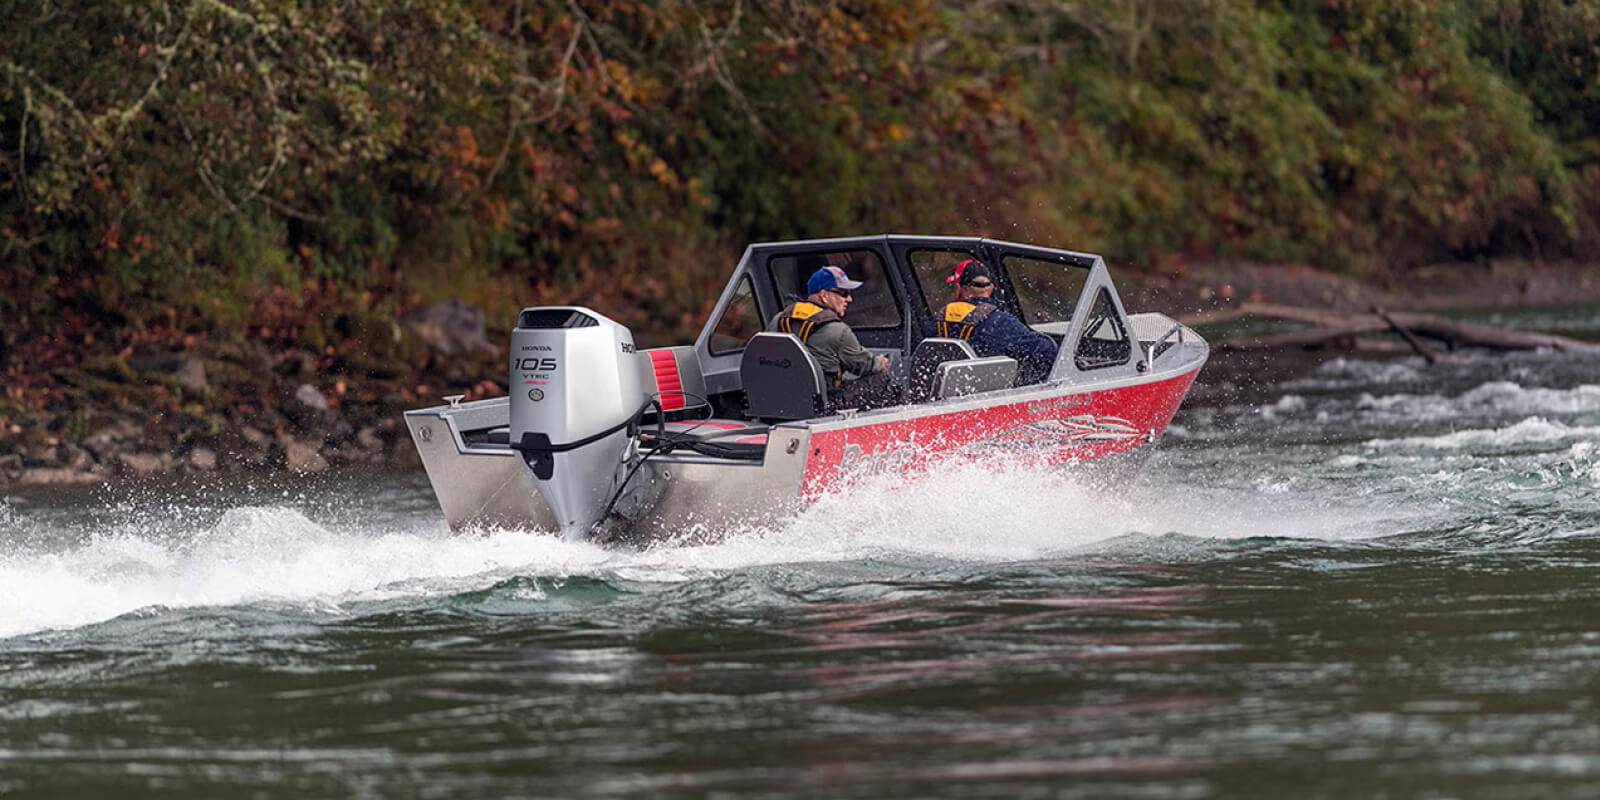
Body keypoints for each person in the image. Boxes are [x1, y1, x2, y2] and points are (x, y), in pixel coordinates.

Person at [769, 266, 897, 409]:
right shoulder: (838, 331)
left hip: (781, 401)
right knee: (880, 380)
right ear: (824, 295)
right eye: (843, 293)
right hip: (823, 405)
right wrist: (880, 362)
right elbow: (865, 366)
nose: (849, 298)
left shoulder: (778, 320)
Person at [929, 259, 1059, 385]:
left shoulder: (937, 320)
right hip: (985, 396)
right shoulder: (1001, 323)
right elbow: (1048, 355)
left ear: (958, 288)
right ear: (990, 289)